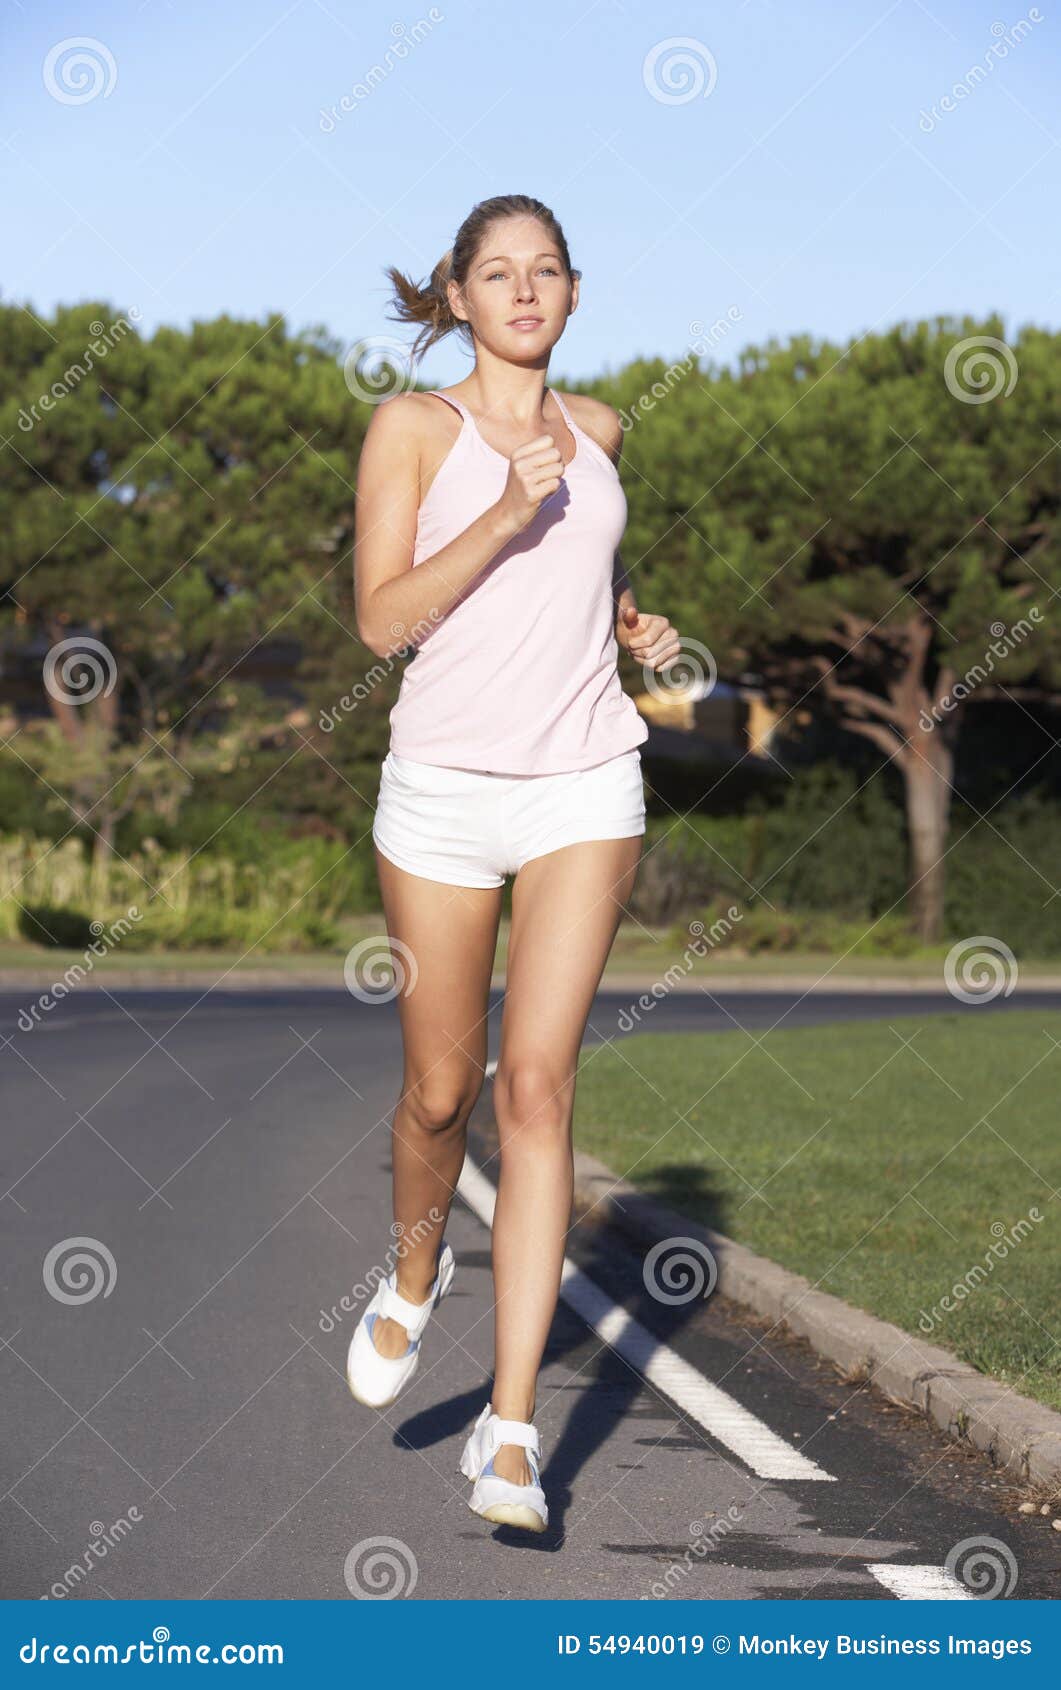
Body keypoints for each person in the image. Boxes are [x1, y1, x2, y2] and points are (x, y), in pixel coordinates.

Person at [346, 194, 681, 1532]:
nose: (525, 290)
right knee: (442, 1093)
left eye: (546, 270)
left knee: (534, 1088)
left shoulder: (598, 430)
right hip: (441, 793)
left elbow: (582, 574)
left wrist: (631, 621)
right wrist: (497, 515)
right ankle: (414, 1272)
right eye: (498, 273)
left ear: (575, 292)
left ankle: (509, 1430)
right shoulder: (411, 430)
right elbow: (382, 621)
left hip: (584, 784)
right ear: (460, 296)